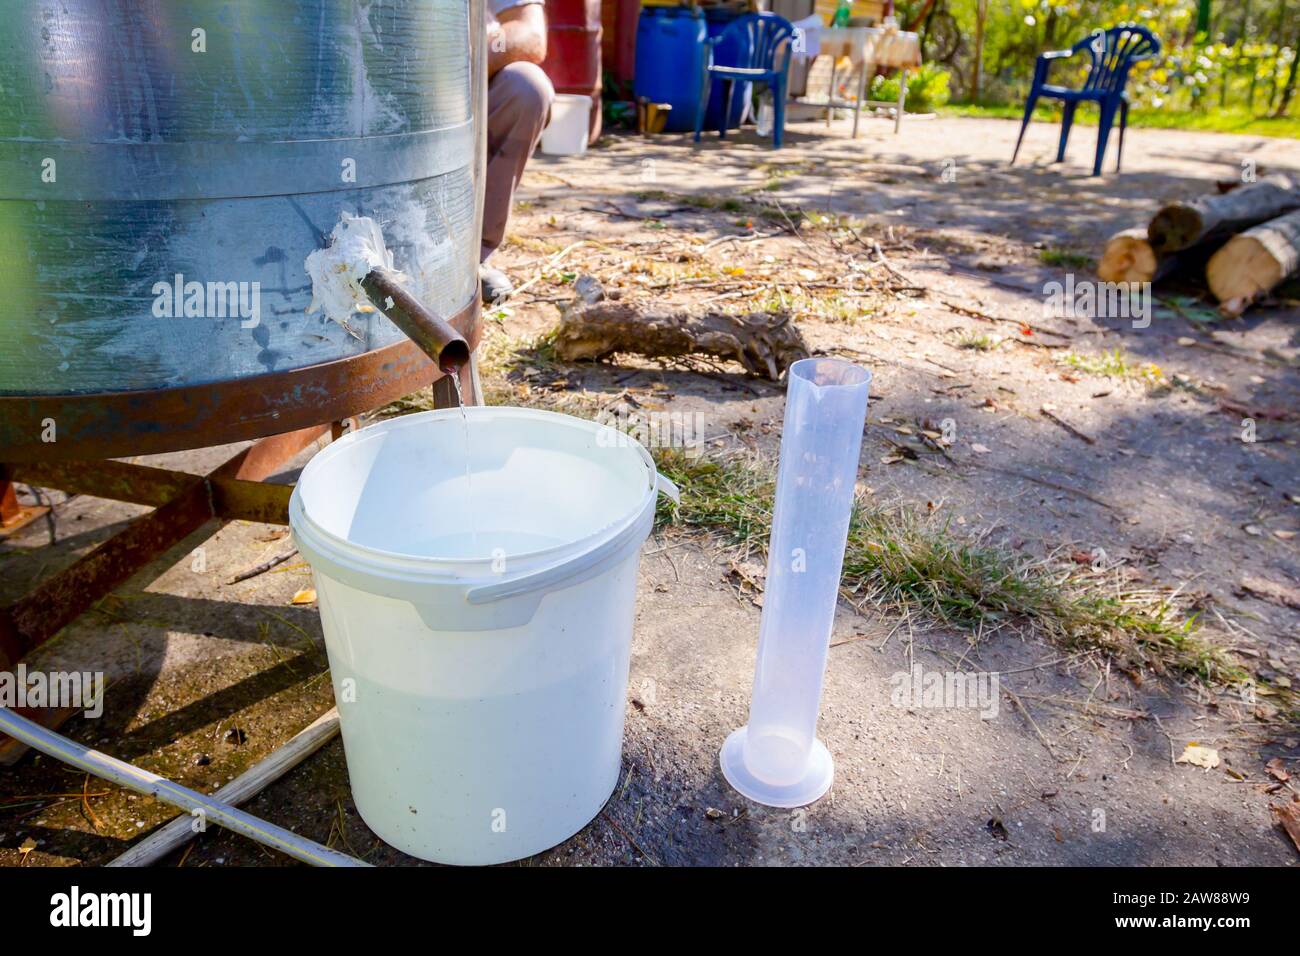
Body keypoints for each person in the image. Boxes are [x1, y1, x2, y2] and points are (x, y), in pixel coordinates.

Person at [481, 0, 554, 303]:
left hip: (461, 92)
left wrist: (465, 65)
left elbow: (530, 32)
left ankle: (470, 257)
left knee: (527, 86)